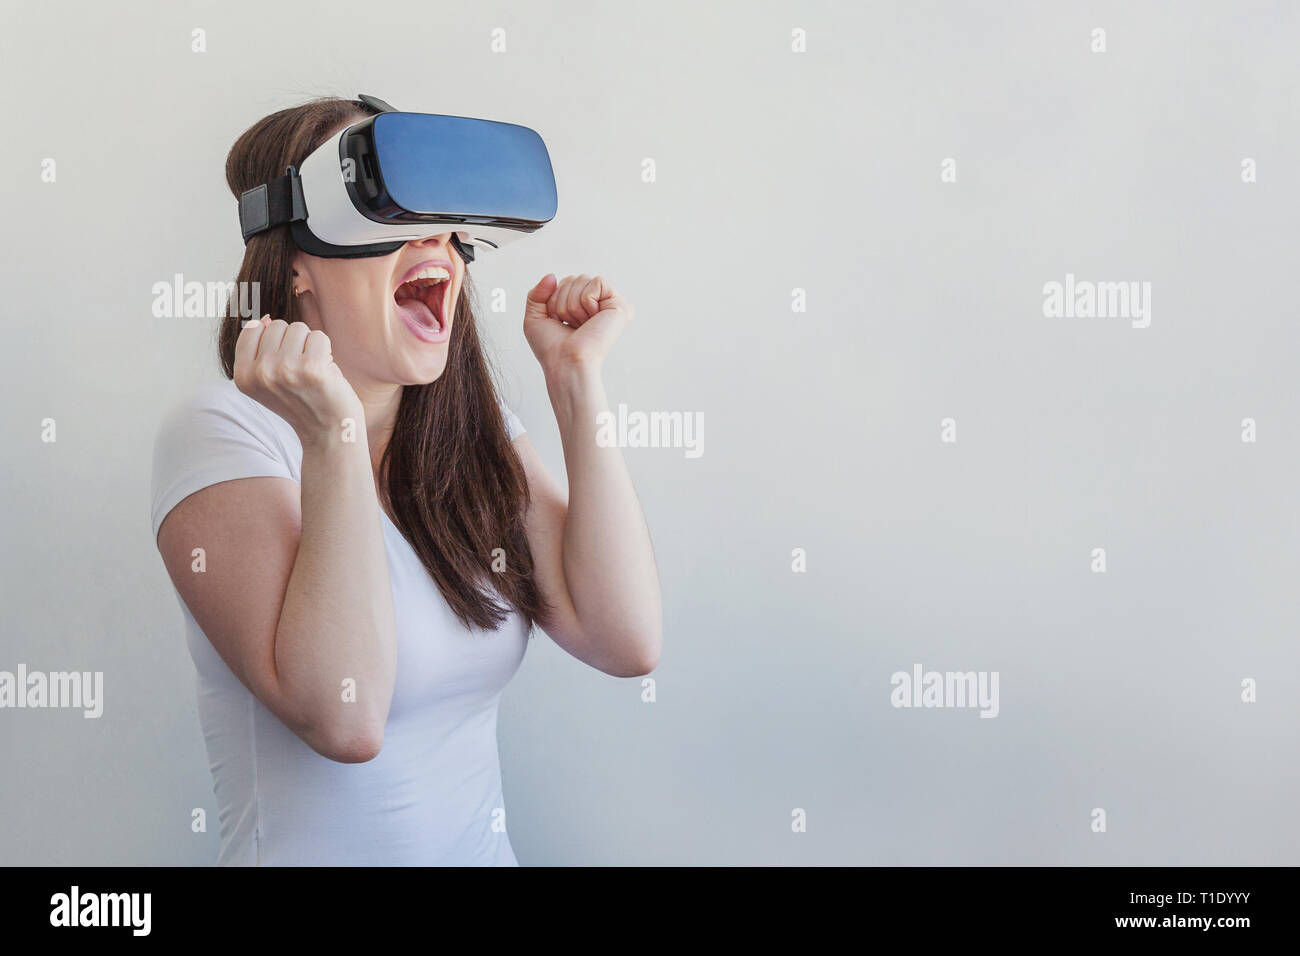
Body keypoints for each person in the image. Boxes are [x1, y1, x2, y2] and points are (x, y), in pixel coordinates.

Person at [150, 96, 662, 865]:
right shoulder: (226, 433)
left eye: (442, 224)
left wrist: (575, 384)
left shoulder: (470, 435)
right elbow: (346, 719)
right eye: (383, 212)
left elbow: (625, 640)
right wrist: (334, 437)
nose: (435, 243)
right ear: (296, 266)